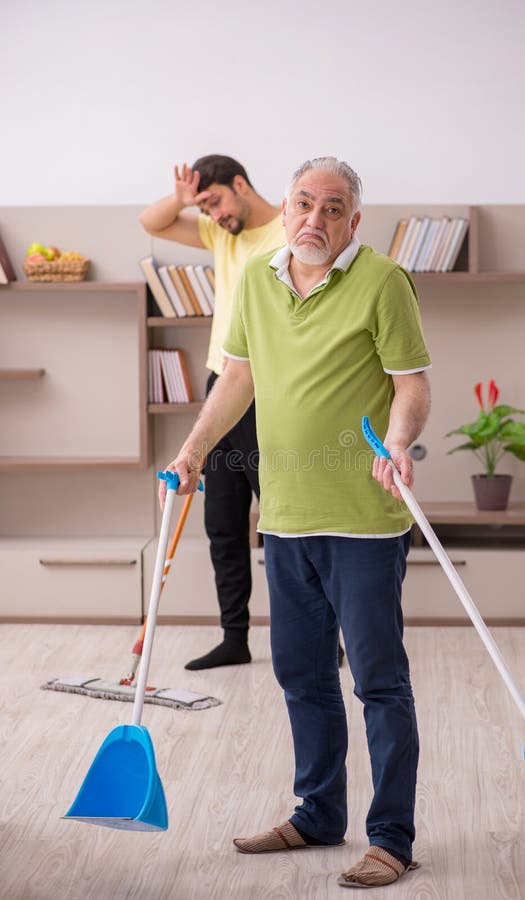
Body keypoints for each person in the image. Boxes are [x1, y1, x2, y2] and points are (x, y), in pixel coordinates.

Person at [160, 157, 431, 889]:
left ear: (353, 221)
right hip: (281, 517)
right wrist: (191, 451)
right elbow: (238, 376)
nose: (315, 219)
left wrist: (399, 442)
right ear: (284, 207)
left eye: (333, 208)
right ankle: (316, 813)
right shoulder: (256, 280)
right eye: (304, 203)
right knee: (301, 675)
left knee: (377, 680)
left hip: (363, 523)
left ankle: (391, 837)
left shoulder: (382, 281)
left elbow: (410, 385)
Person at [140, 155, 284, 670]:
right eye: (204, 206)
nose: (213, 214)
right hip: (220, 387)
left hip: (268, 392)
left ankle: (319, 636)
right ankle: (234, 638)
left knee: (283, 521)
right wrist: (184, 199)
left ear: (241, 185)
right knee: (223, 522)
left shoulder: (287, 231)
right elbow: (150, 222)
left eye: (216, 201)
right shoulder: (223, 234)